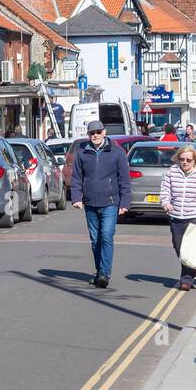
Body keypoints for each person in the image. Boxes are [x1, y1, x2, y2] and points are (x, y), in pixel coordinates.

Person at [70, 120, 132, 288]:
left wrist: (125, 202)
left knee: (106, 236)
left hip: (111, 202)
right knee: (95, 240)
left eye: (98, 132)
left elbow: (124, 180)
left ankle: (104, 273)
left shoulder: (117, 153)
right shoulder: (82, 152)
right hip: (90, 203)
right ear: (88, 135)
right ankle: (99, 272)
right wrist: (76, 197)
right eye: (92, 133)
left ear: (104, 132)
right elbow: (76, 177)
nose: (95, 135)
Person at [160, 145, 196, 291]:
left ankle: (186, 279)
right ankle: (191, 269)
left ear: (194, 160)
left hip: (194, 217)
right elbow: (165, 189)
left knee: (189, 248)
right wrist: (165, 202)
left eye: (188, 160)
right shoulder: (172, 171)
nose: (184, 162)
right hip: (176, 216)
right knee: (179, 247)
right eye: (182, 159)